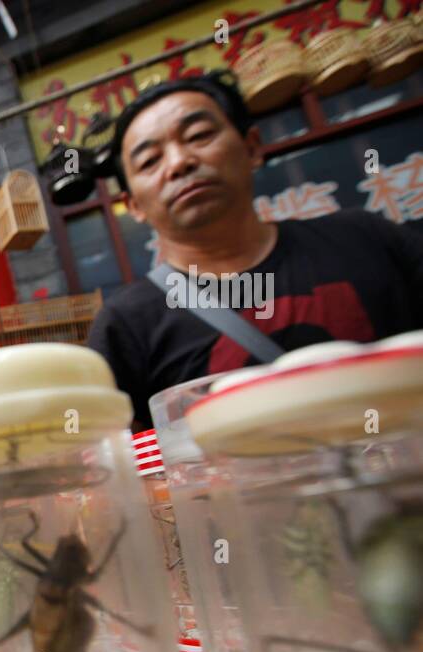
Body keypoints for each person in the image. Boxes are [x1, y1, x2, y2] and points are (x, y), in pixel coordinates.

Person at [87, 72, 423, 428]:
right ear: (133, 204)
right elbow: (120, 456)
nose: (178, 163)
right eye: (150, 161)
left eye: (199, 136)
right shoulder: (125, 325)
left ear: (251, 148)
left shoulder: (366, 240)